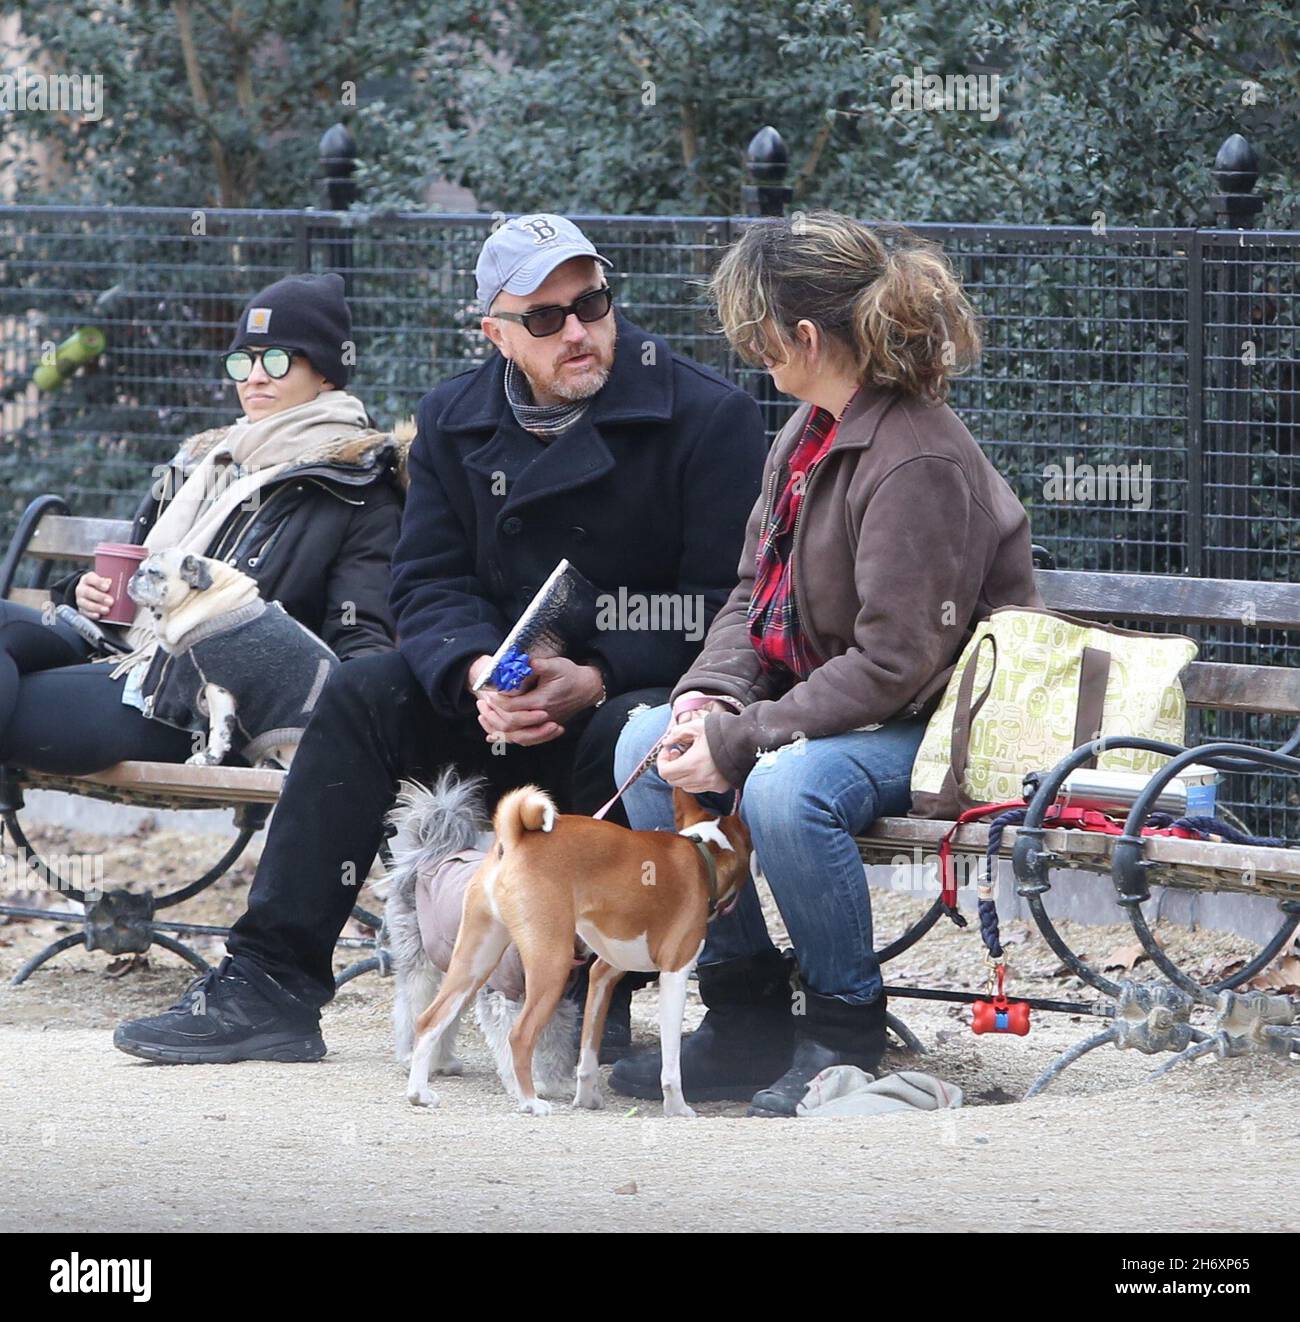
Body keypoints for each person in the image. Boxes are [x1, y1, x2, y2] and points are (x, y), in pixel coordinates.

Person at [113, 213, 767, 1065]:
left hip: (624, 704)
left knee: (630, 728)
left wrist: (598, 673)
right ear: (494, 332)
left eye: (592, 302)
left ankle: (609, 1000)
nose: (577, 330)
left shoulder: (703, 414)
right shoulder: (452, 416)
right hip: (495, 702)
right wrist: (473, 672)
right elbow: (425, 582)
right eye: (543, 316)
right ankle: (270, 984)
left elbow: (724, 606)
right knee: (361, 694)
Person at [607, 212, 1045, 1117]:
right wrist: (704, 702)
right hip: (846, 702)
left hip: (935, 720)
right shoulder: (808, 429)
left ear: (804, 336)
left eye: (757, 332)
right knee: (645, 744)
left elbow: (898, 661)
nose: (747, 350)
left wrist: (744, 739)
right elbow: (746, 596)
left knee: (782, 789)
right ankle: (747, 1013)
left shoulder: (916, 455)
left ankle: (848, 1028)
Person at [0, 271, 405, 776]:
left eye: (276, 361)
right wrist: (83, 592)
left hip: (200, 700)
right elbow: (139, 577)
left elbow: (360, 635)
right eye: (243, 361)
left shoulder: (356, 486)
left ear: (325, 372)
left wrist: (355, 743)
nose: (254, 378)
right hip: (114, 647)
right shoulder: (204, 460)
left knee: (21, 710)